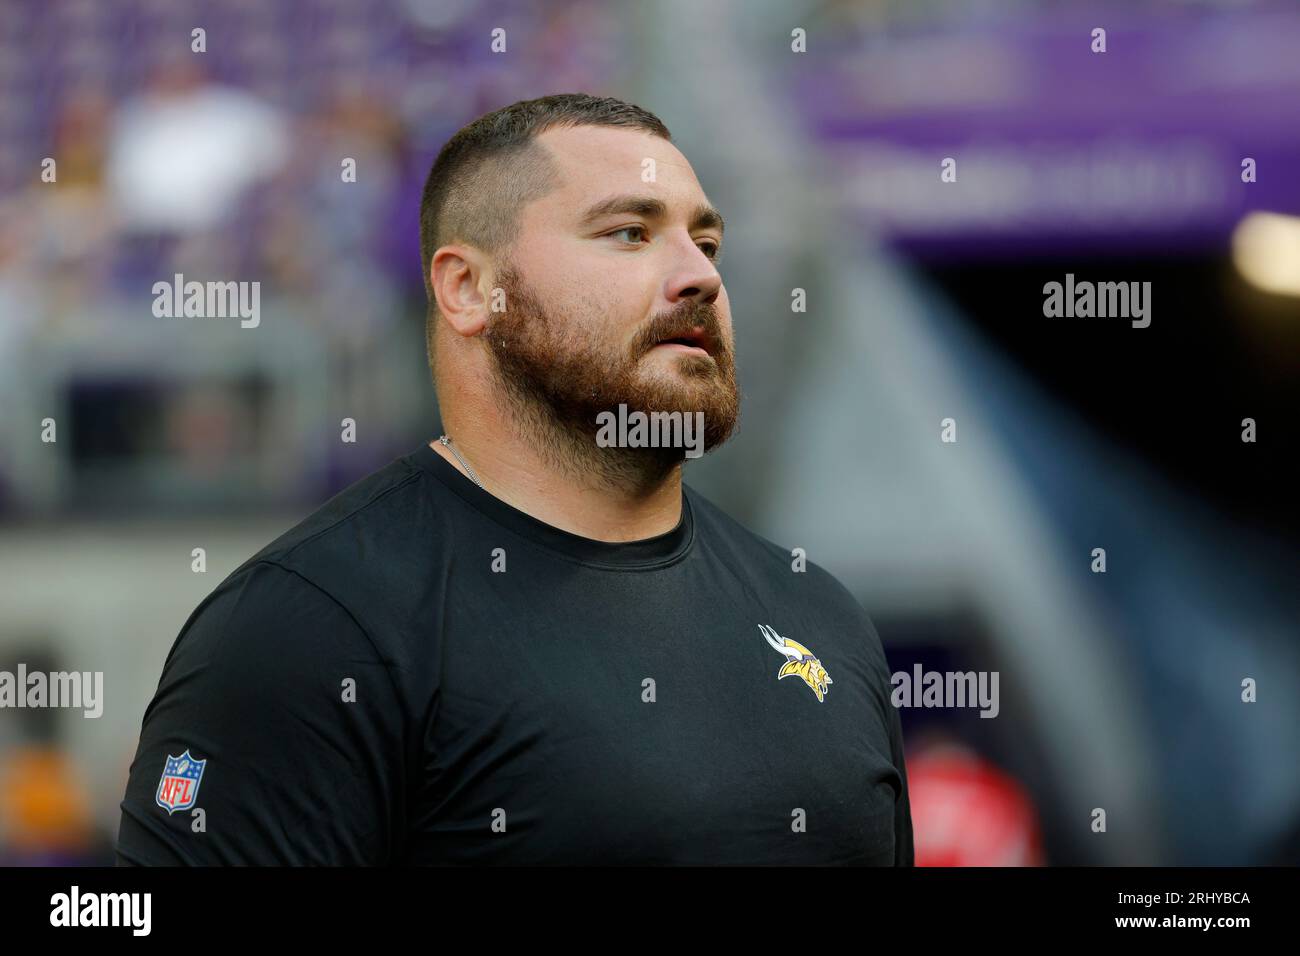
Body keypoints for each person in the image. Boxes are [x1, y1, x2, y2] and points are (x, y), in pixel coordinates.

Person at [116, 93, 913, 865]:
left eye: (707, 242)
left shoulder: (817, 612)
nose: (697, 274)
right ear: (468, 291)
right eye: (631, 232)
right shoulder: (310, 631)